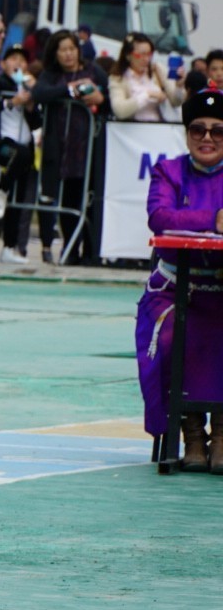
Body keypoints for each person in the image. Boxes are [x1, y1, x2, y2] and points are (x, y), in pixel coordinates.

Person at [134, 85, 223, 472]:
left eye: (218, 130)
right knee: (170, 336)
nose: (207, 138)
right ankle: (188, 432)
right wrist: (213, 220)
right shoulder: (167, 171)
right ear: (186, 133)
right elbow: (160, 217)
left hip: (220, 291)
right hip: (174, 289)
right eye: (198, 129)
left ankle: (221, 432)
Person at [31, 28, 108, 265]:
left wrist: (100, 99)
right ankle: (70, 248)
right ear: (54, 54)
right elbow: (39, 94)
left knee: (91, 198)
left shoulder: (94, 71)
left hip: (90, 144)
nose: (68, 55)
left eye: (71, 49)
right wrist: (68, 90)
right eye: (62, 50)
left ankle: (92, 251)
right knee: (68, 199)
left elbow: (109, 101)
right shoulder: (50, 75)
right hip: (61, 147)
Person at [0, 45, 40, 264]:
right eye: (13, 59)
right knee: (20, 155)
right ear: (3, 64)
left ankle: (9, 247)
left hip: (24, 146)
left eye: (22, 61)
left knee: (18, 199)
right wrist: (11, 102)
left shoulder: (29, 85)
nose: (18, 64)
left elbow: (38, 121)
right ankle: (1, 188)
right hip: (3, 145)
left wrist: (33, 101)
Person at [109, 32, 181, 123]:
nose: (146, 59)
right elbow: (119, 110)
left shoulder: (157, 70)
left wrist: (179, 86)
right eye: (141, 55)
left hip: (160, 128)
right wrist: (147, 95)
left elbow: (177, 101)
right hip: (133, 131)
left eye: (149, 55)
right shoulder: (118, 78)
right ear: (128, 56)